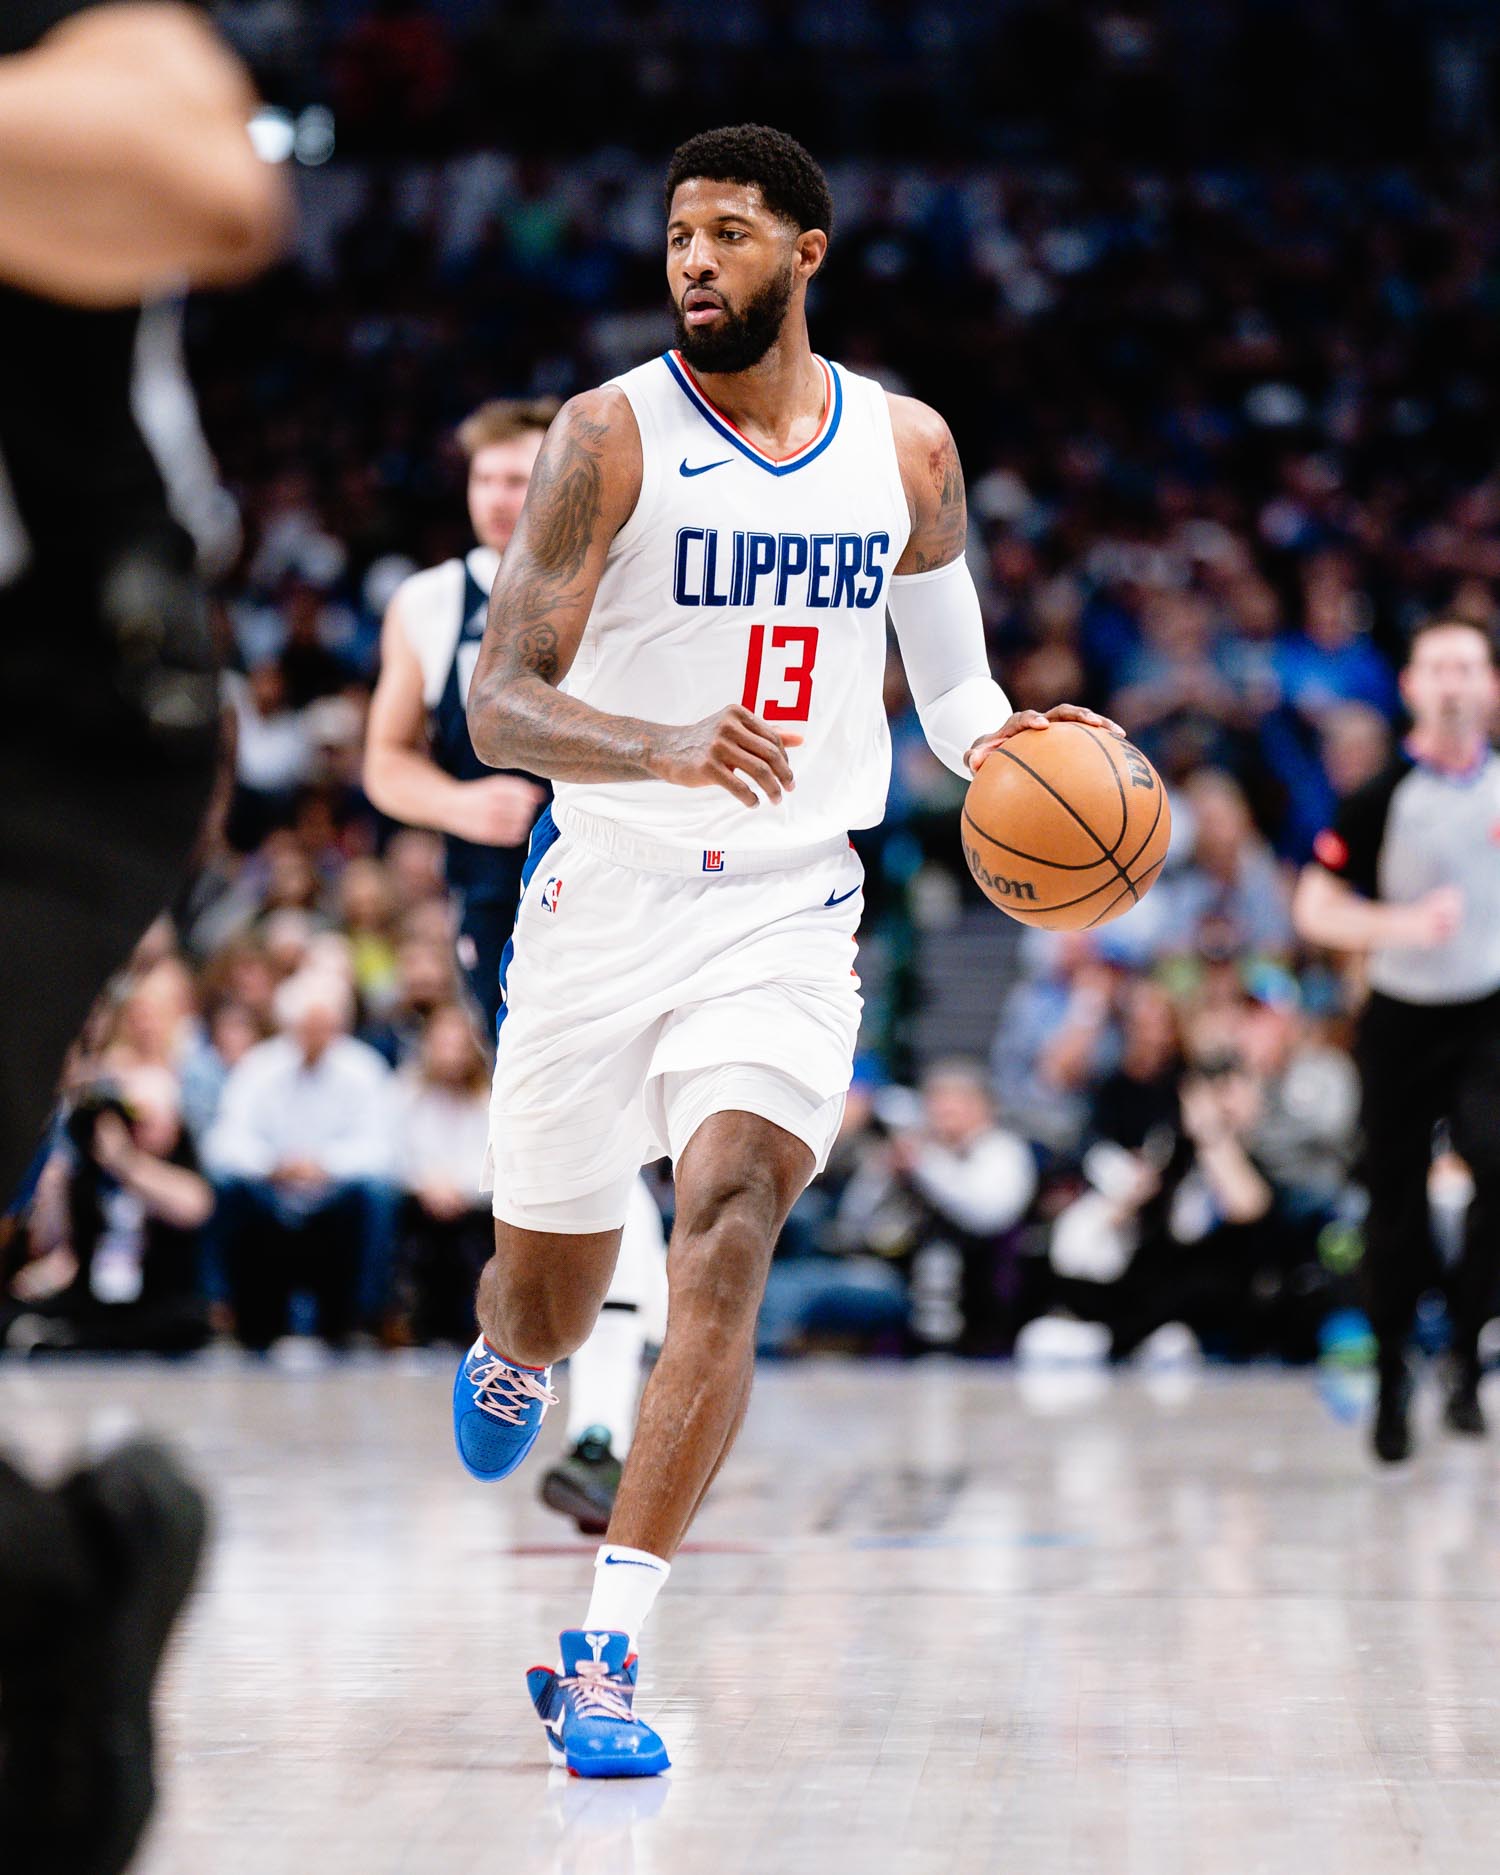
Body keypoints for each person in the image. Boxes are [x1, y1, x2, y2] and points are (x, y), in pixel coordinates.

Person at [456, 122, 1119, 1778]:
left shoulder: (907, 449)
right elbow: (497, 705)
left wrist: (1025, 752)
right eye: (679, 232)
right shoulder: (605, 435)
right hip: (605, 897)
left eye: (731, 231)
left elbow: (954, 697)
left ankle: (610, 1643)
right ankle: (512, 1344)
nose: (694, 259)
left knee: (731, 1221)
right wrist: (659, 743)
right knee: (549, 1296)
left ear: (806, 253)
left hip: (788, 904)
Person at [0, 5, 286, 1870]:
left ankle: (63, 1612)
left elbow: (217, 192)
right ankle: (64, 1600)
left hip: (50, 719)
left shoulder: (89, 32)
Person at [364, 397, 665, 1530]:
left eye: (520, 477)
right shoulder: (429, 602)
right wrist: (458, 804)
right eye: (486, 478)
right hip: (508, 914)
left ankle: (592, 1406)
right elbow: (386, 764)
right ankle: (598, 1425)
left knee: (643, 1156)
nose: (502, 497)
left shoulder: (623, 575)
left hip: (637, 883)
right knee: (593, 1152)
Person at [1293, 616, 1500, 1463]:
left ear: (1490, 686)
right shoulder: (1380, 796)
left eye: (1467, 667)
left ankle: (1466, 1356)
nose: (1453, 683)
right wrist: (1400, 924)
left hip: (1487, 1010)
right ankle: (1390, 1379)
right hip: (1401, 1014)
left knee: (1496, 1167)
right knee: (1395, 1209)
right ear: (1411, 686)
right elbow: (1315, 907)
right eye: (1437, 667)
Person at [205, 971, 396, 1351]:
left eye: (325, 1026)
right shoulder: (258, 1067)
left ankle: (367, 1315)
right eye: (308, 1026)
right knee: (226, 1188)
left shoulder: (364, 1069)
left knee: (377, 1194)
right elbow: (224, 1143)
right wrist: (272, 1165)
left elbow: (382, 1149)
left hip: (336, 1196)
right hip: (270, 1193)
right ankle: (222, 1310)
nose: (316, 1036)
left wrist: (324, 1165)